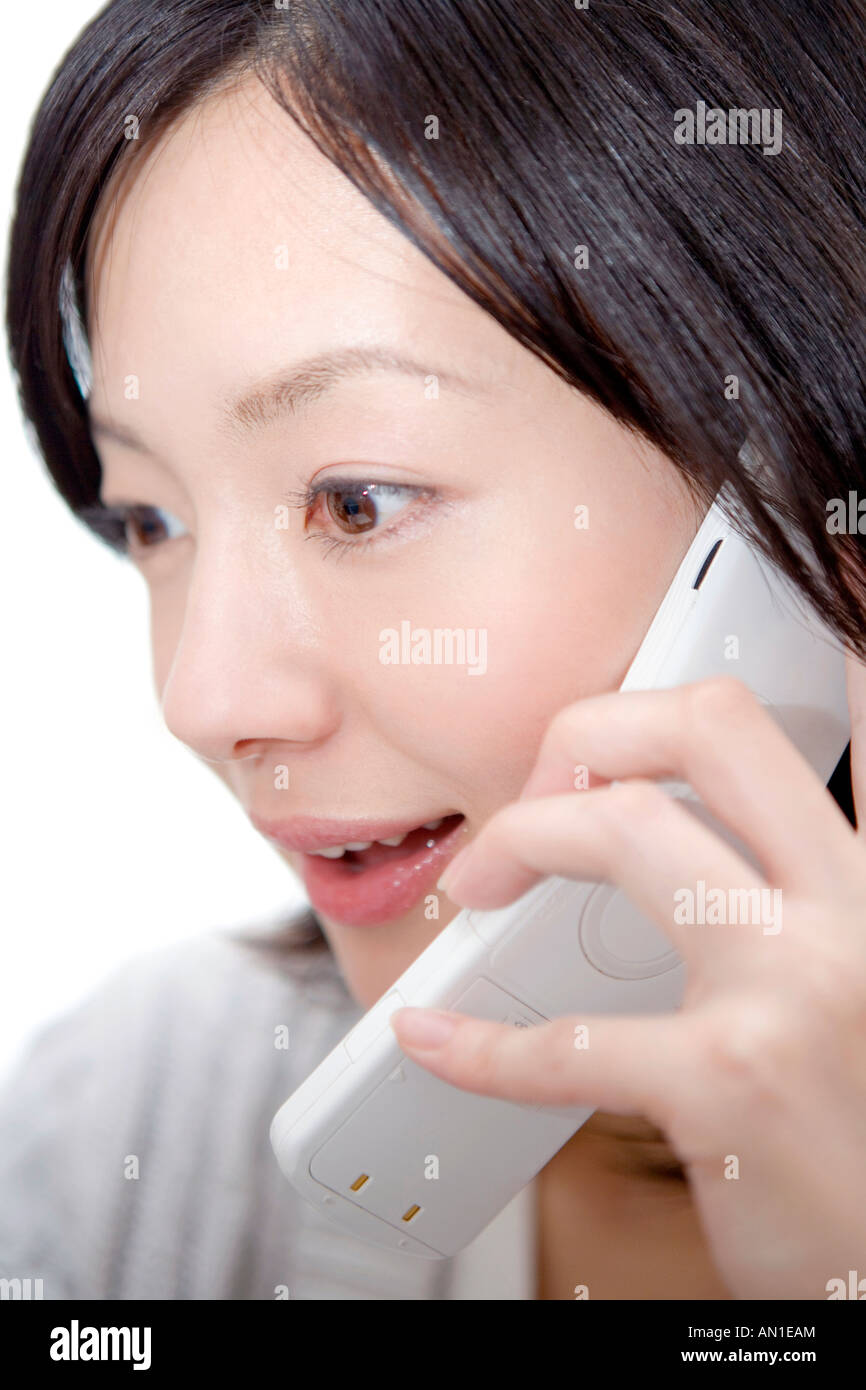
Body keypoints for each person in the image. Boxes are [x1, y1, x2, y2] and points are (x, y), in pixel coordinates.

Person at [2, 0, 864, 1300]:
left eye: (356, 501)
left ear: (799, 525)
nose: (202, 698)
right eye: (151, 519)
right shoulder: (130, 1124)